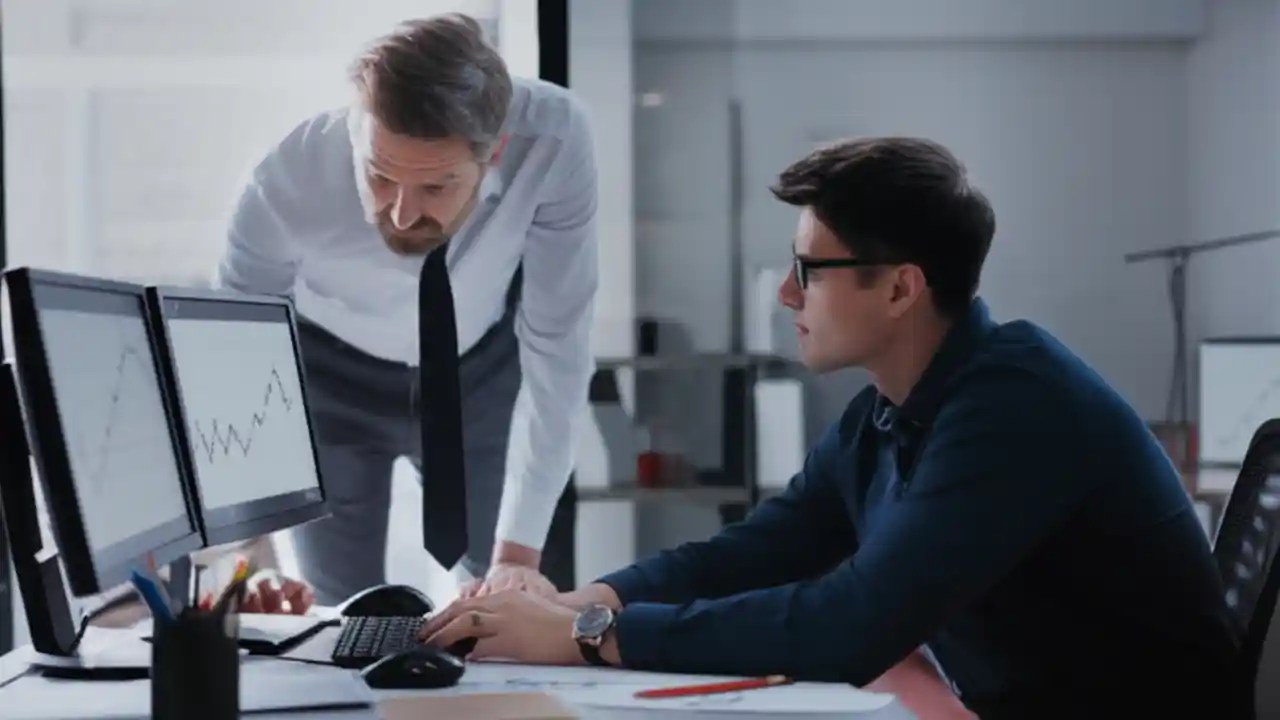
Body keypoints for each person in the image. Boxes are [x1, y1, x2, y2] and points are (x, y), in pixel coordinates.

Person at [418, 137, 1240, 717]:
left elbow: (849, 625)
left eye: (809, 270)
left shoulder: (1015, 409)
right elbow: (760, 548)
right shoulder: (891, 406)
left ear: (900, 288)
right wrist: (580, 600)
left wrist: (584, 637)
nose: (785, 295)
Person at [213, 13, 597, 607]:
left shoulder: (555, 138)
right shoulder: (282, 182)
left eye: (436, 187)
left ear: (493, 151)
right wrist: (251, 551)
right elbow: (236, 363)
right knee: (340, 614)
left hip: (480, 369)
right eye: (380, 176)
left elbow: (559, 342)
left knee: (524, 604)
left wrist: (517, 557)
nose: (399, 213)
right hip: (327, 375)